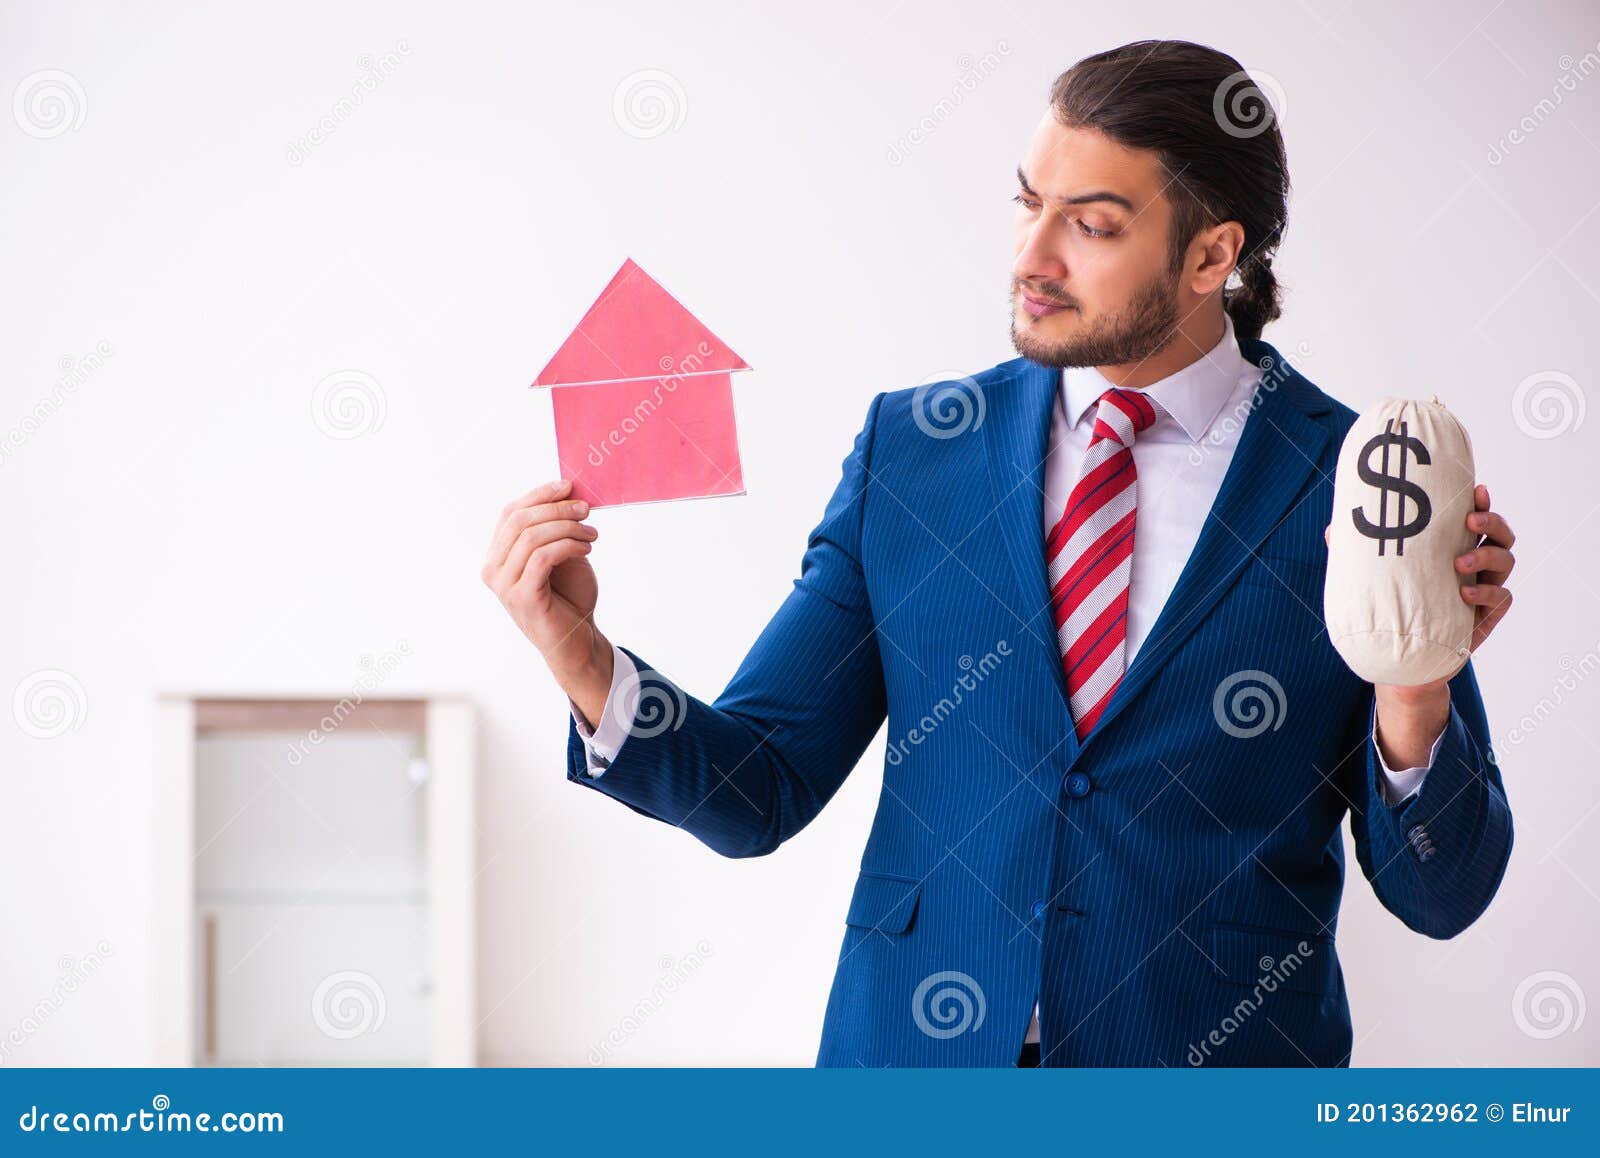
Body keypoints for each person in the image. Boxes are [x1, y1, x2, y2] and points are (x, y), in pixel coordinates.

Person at [483, 39, 1517, 1067]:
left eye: (1091, 226)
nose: (1031, 258)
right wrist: (577, 651)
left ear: (1212, 256)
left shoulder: (1358, 481)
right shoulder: (915, 454)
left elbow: (1440, 894)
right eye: (1029, 205)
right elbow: (756, 789)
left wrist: (1415, 690)